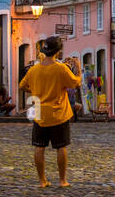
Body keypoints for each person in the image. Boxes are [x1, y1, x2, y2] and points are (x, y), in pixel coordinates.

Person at [17, 36, 81, 188]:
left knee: (39, 146)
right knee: (61, 146)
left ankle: (42, 180)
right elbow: (75, 83)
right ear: (58, 52)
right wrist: (77, 68)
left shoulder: (34, 69)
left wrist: (34, 89)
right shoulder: (61, 69)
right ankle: (62, 180)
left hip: (40, 113)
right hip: (58, 113)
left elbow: (22, 86)